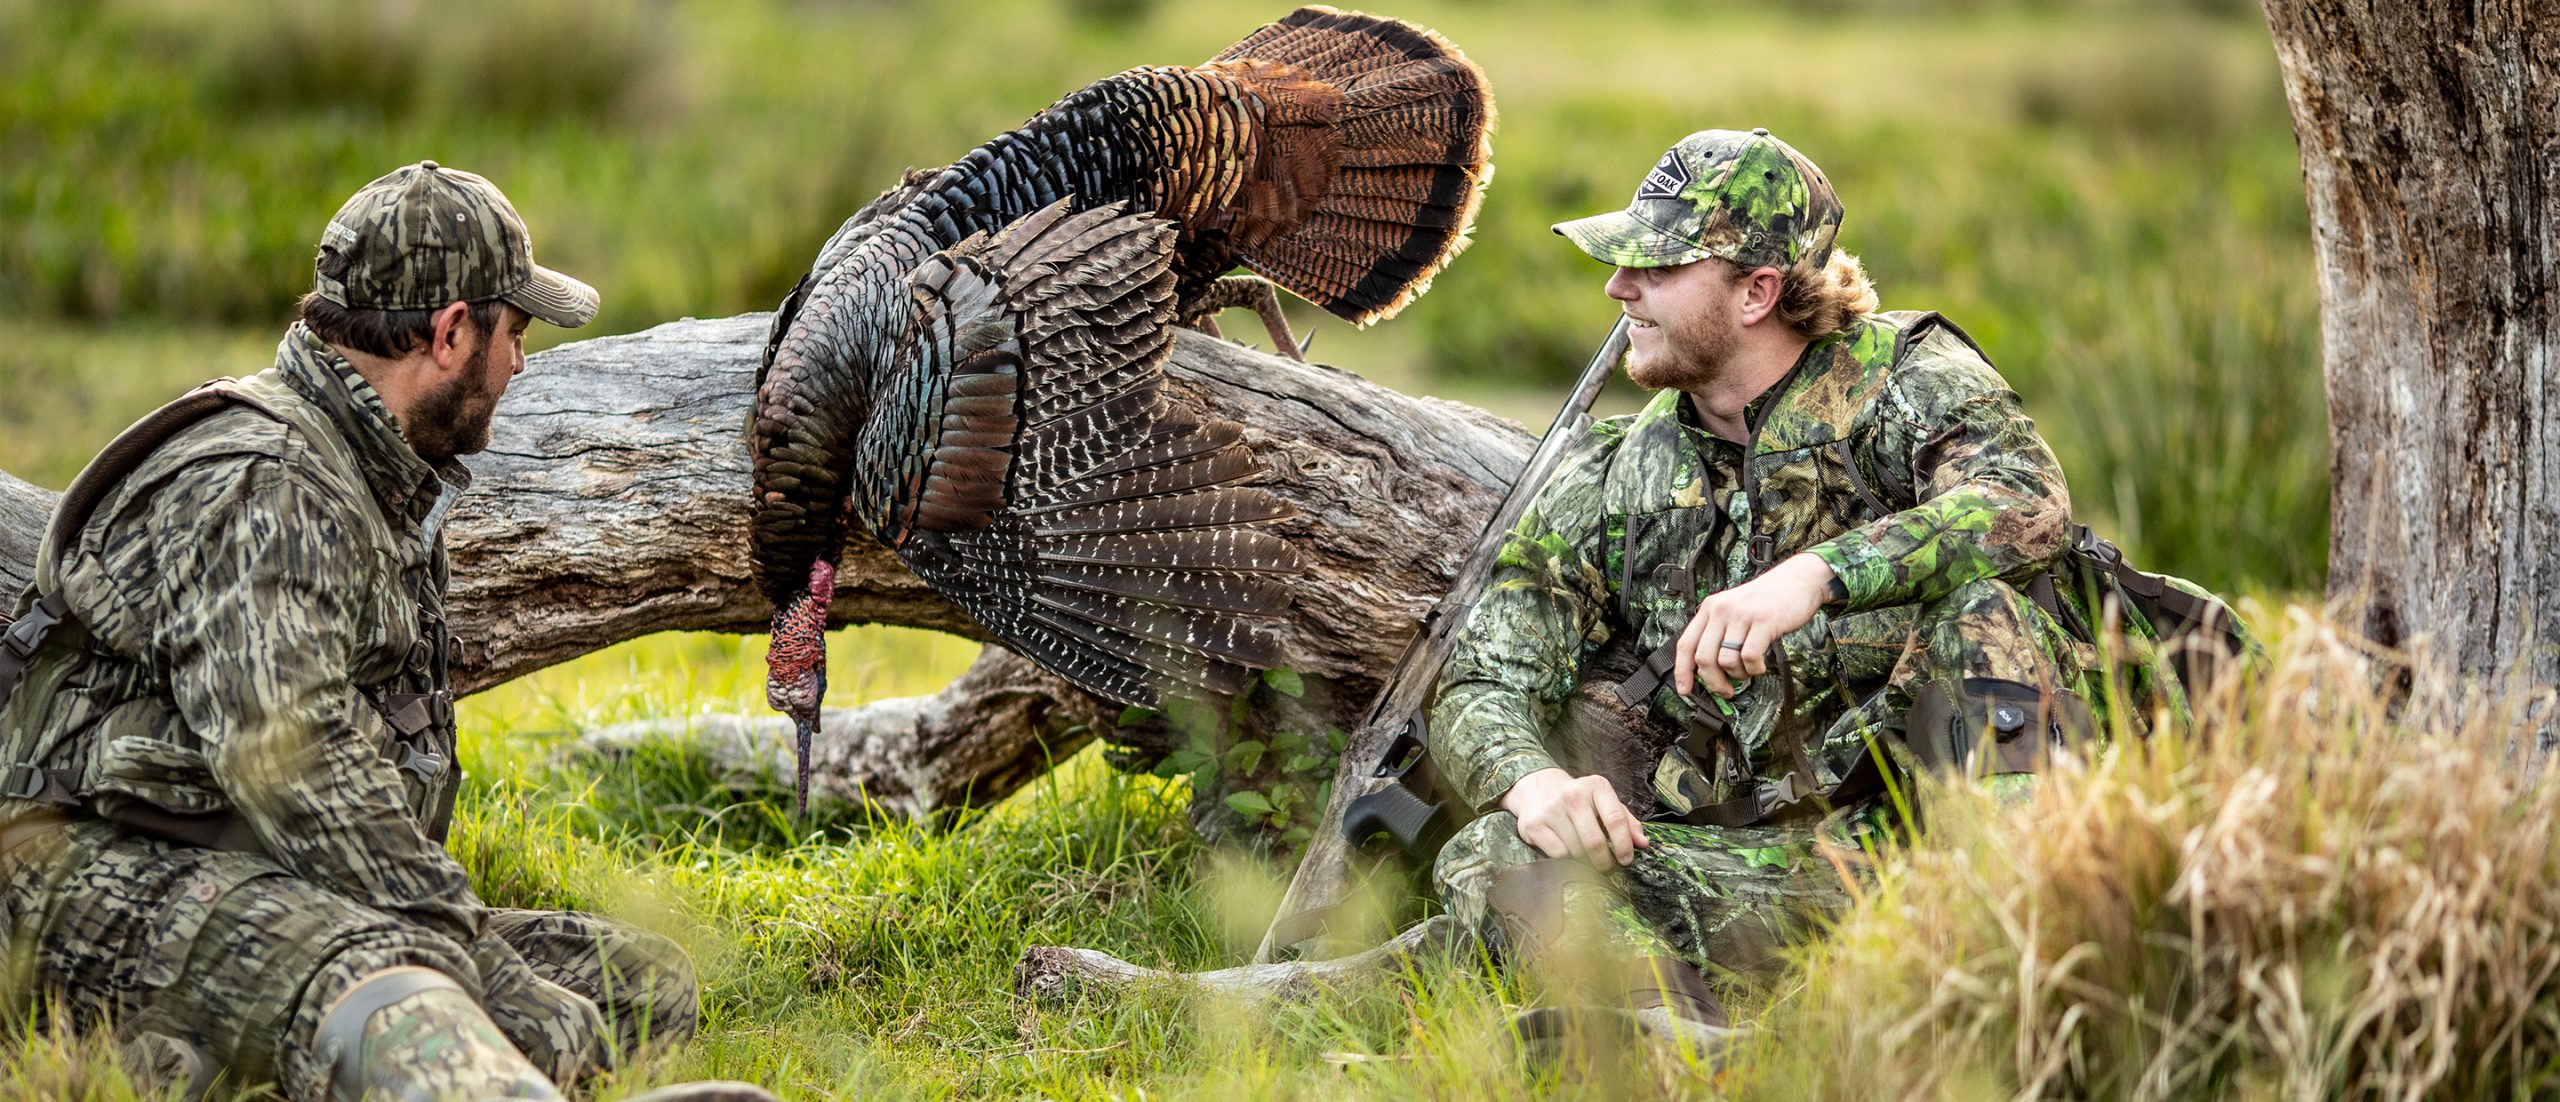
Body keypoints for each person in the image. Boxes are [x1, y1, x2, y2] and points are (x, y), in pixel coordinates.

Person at [1424, 129, 2247, 1047]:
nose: (1620, 289)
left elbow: (2026, 501)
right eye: (1623, 265)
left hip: (1980, 845)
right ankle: (1676, 1043)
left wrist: (1814, 578)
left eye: (1656, 266)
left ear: (1757, 292)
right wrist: (1533, 783)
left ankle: (2039, 995)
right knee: (1494, 851)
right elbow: (1481, 679)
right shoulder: (1621, 470)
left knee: (1988, 613)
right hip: (1801, 866)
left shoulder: (1908, 383)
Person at [0, 163, 771, 1102]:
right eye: (514, 333)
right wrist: (477, 964)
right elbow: (296, 765)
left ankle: (210, 1063)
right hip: (79, 877)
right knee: (380, 968)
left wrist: (480, 954)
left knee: (638, 985)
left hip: (247, 862)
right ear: (451, 333)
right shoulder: (266, 484)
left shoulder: (367, 463)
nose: (519, 365)